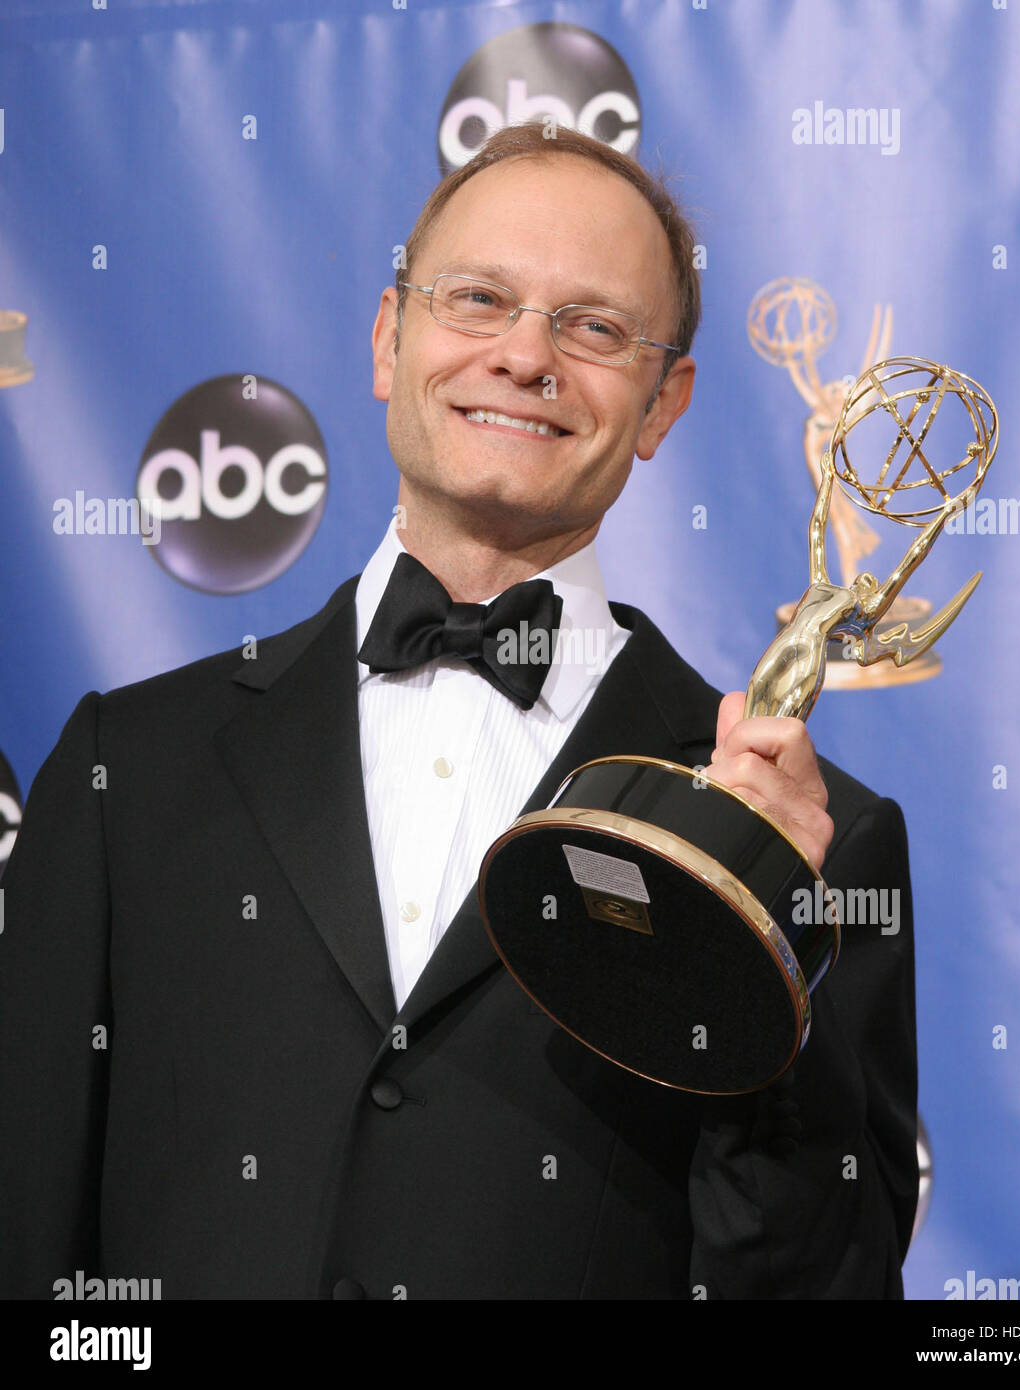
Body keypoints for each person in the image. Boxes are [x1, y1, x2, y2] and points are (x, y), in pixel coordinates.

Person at [0, 121, 917, 1300]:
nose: (526, 356)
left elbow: (821, 1286)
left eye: (596, 328)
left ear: (662, 404)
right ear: (391, 338)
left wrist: (753, 944)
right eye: (479, 299)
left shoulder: (809, 840)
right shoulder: (126, 765)